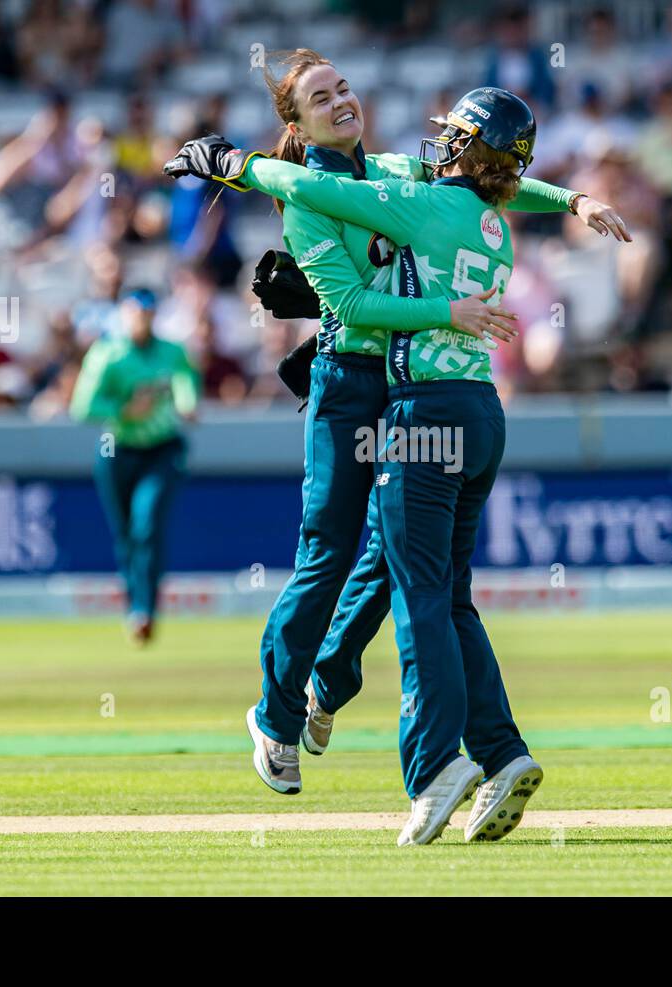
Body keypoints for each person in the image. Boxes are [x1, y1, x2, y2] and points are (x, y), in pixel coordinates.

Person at [166, 87, 628, 845]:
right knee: (413, 585)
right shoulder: (480, 213)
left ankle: (425, 758)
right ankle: (472, 745)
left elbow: (308, 185)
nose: (438, 142)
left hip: (417, 408)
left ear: (467, 153)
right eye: (325, 95)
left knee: (415, 593)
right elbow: (490, 187)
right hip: (439, 404)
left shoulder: (412, 195)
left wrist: (227, 161)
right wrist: (572, 198)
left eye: (454, 138)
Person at [69, 287, 200, 644]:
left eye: (147, 313)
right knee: (125, 534)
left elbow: (185, 381)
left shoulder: (171, 351)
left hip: (162, 448)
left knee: (147, 524)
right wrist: (124, 410)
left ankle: (145, 609)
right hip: (118, 450)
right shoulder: (107, 354)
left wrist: (187, 404)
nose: (141, 320)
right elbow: (83, 406)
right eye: (134, 313)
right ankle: (134, 605)